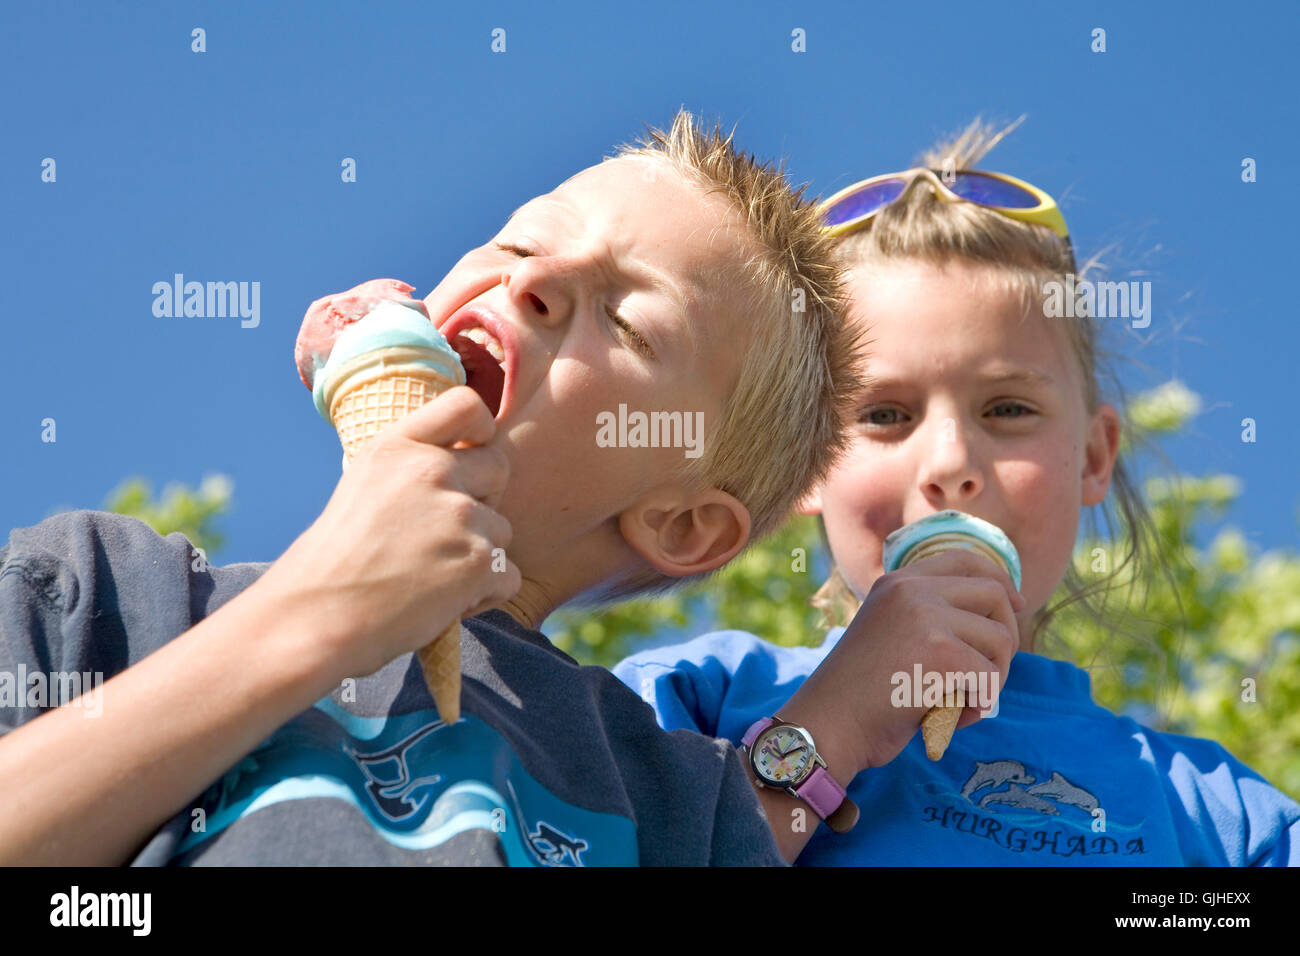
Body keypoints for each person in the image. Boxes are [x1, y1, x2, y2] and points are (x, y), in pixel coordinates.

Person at [0, 110, 864, 866]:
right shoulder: (105, 592)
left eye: (630, 320)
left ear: (680, 523)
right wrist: (317, 612)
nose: (533, 279)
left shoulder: (682, 806)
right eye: (521, 243)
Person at [614, 120, 1300, 865]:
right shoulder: (693, 696)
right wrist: (832, 728)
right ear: (806, 463)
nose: (949, 461)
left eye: (1008, 410)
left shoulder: (1224, 820)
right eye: (884, 415)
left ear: (1094, 457)